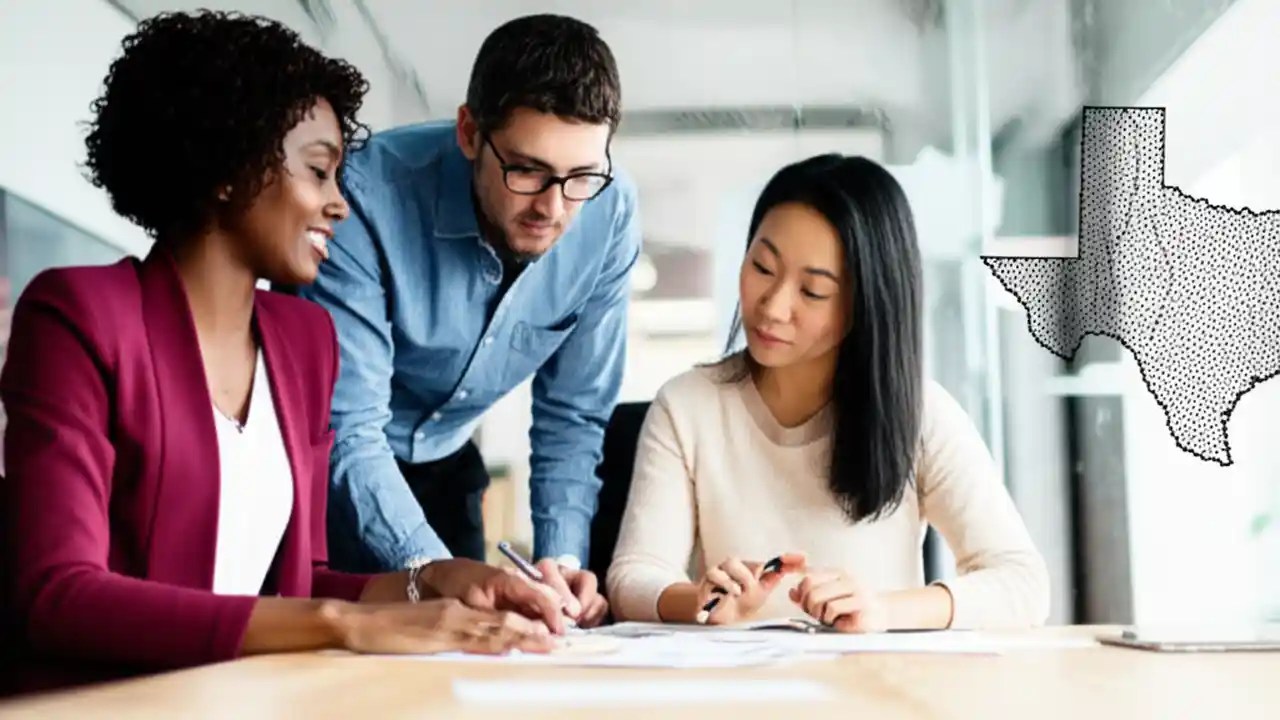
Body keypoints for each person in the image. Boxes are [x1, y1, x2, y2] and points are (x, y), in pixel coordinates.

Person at [0, 11, 566, 696]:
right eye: (320, 172)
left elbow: (296, 584)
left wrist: (431, 583)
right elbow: (58, 595)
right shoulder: (79, 316)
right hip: (109, 705)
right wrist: (340, 624)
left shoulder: (303, 342)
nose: (340, 206)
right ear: (228, 168)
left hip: (246, 700)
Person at [291, 13, 639, 628]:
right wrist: (432, 569)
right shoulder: (364, 197)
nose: (554, 209)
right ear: (470, 132)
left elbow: (573, 416)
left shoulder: (608, 215)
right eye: (527, 170)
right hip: (331, 470)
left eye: (581, 176)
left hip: (450, 463)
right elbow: (349, 429)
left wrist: (558, 563)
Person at [605, 154, 1051, 632]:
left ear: (866, 303)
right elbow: (633, 577)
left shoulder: (920, 414)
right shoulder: (688, 405)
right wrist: (700, 600)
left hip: (873, 695)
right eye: (762, 266)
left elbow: (1022, 583)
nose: (773, 307)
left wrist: (885, 609)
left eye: (813, 292)